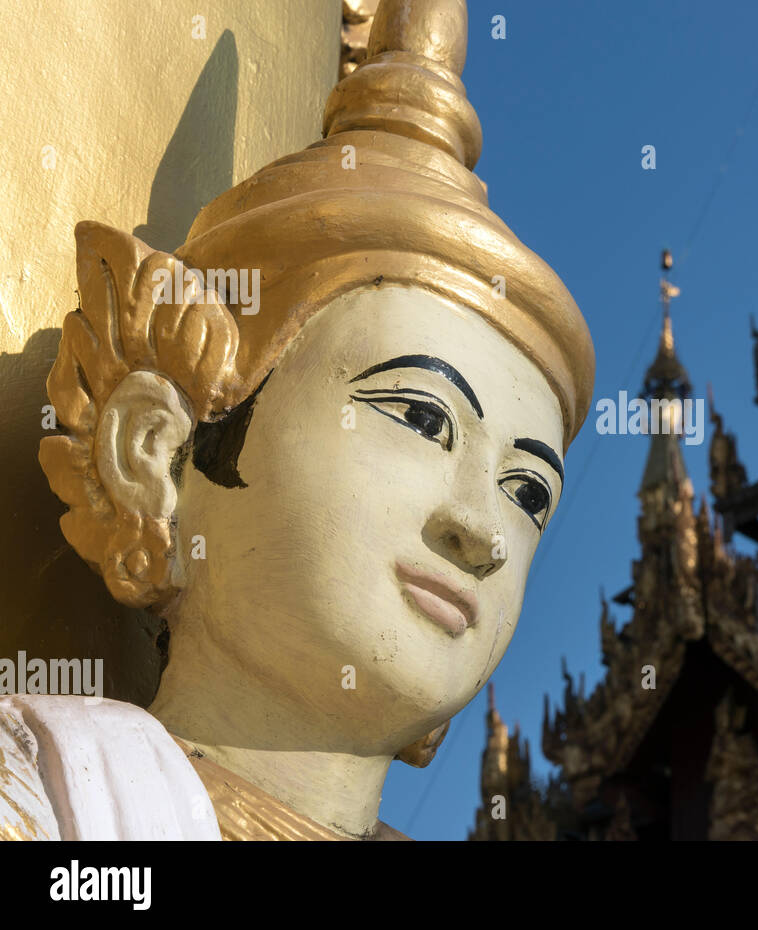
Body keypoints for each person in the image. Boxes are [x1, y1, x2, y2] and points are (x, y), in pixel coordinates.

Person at [0, 0, 594, 841]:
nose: (484, 531)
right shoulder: (56, 804)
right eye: (422, 418)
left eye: (528, 491)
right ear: (159, 451)